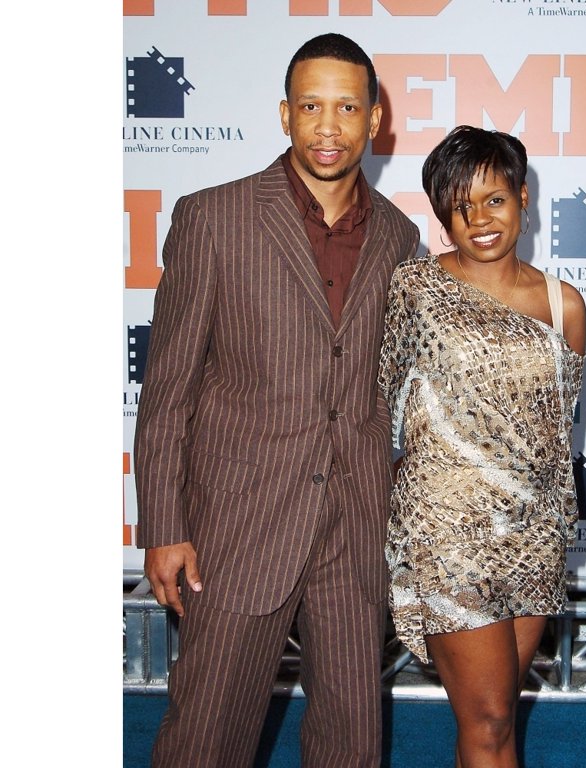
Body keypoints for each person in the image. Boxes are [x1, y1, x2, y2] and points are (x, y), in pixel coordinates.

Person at [134, 32, 420, 768]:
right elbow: (168, 390)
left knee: (352, 739)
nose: (329, 126)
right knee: (206, 738)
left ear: (374, 118)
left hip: (354, 526)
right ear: (285, 115)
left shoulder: (399, 236)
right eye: (311, 106)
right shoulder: (213, 218)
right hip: (239, 523)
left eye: (347, 107)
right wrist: (164, 525)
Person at [377, 125, 586, 767]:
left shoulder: (564, 305)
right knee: (490, 716)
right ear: (443, 217)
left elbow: (556, 428)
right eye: (459, 207)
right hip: (447, 527)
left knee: (494, 721)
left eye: (494, 200)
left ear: (523, 197)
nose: (479, 220)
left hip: (532, 531)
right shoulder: (414, 290)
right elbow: (380, 398)